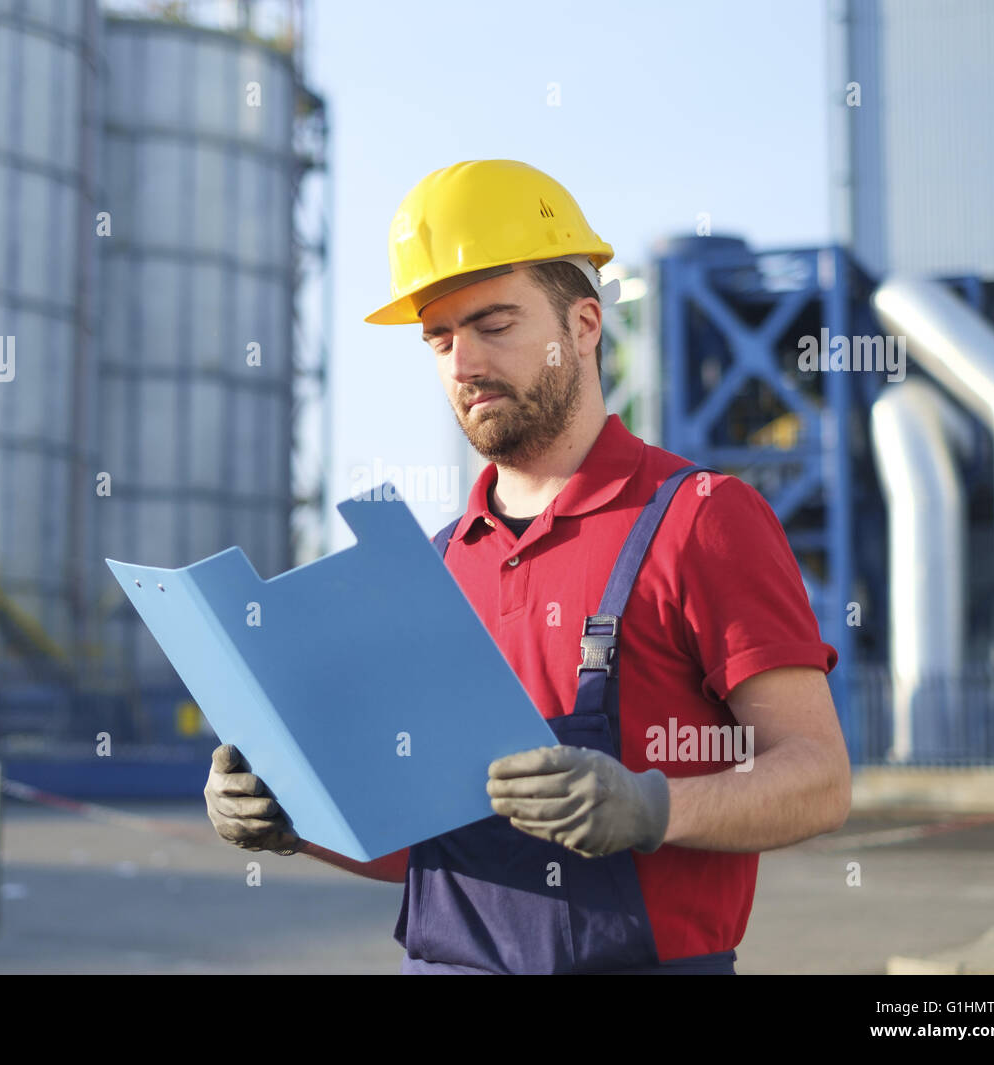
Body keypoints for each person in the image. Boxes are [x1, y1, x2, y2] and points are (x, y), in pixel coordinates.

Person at [205, 159, 849, 974]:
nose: (463, 362)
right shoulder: (433, 566)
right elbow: (424, 848)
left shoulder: (702, 520)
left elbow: (819, 778)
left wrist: (654, 806)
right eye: (439, 338)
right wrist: (293, 816)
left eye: (494, 324)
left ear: (584, 324)